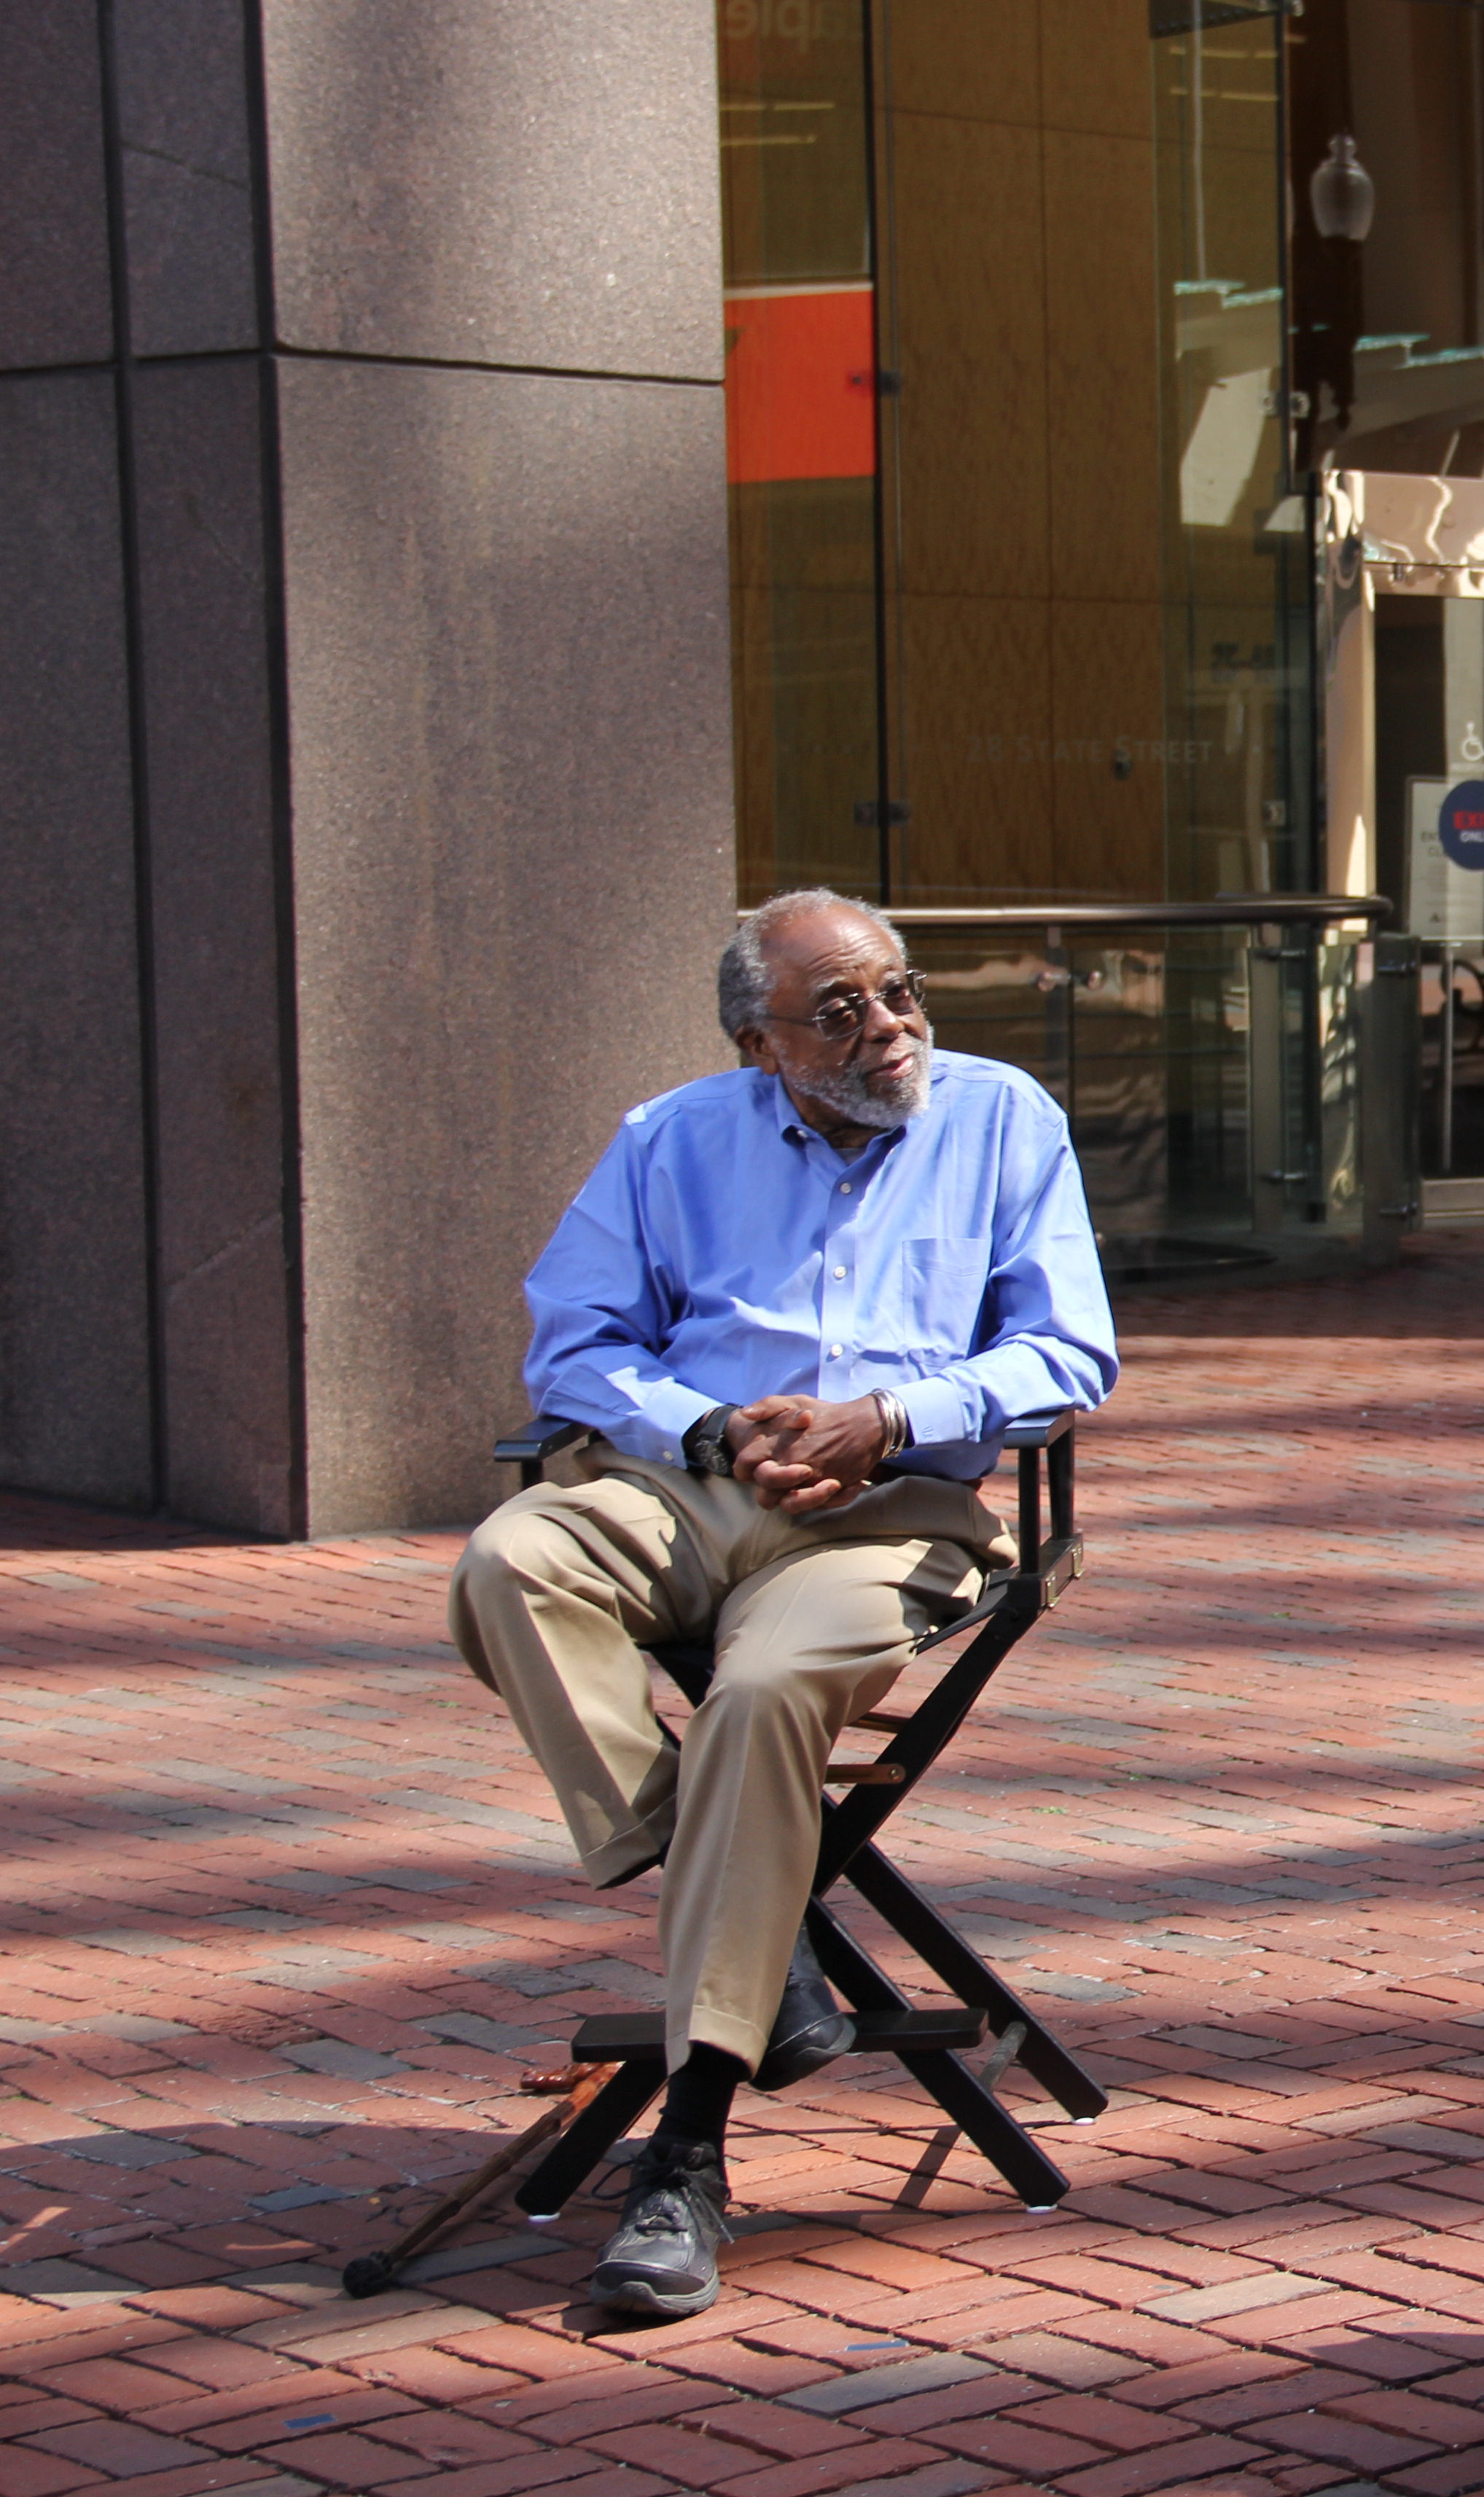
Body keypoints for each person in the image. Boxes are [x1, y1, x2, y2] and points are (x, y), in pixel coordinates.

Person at [448, 888, 1116, 2321]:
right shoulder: (667, 1141)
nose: (889, 1030)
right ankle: (782, 1925)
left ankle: (686, 2154)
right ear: (762, 1043)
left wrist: (888, 1414)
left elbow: (1070, 1353)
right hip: (703, 1482)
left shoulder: (1003, 1120)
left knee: (759, 1696)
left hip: (899, 1507)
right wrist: (705, 1430)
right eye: (840, 1011)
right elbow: (572, 1345)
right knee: (512, 1560)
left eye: (901, 993)